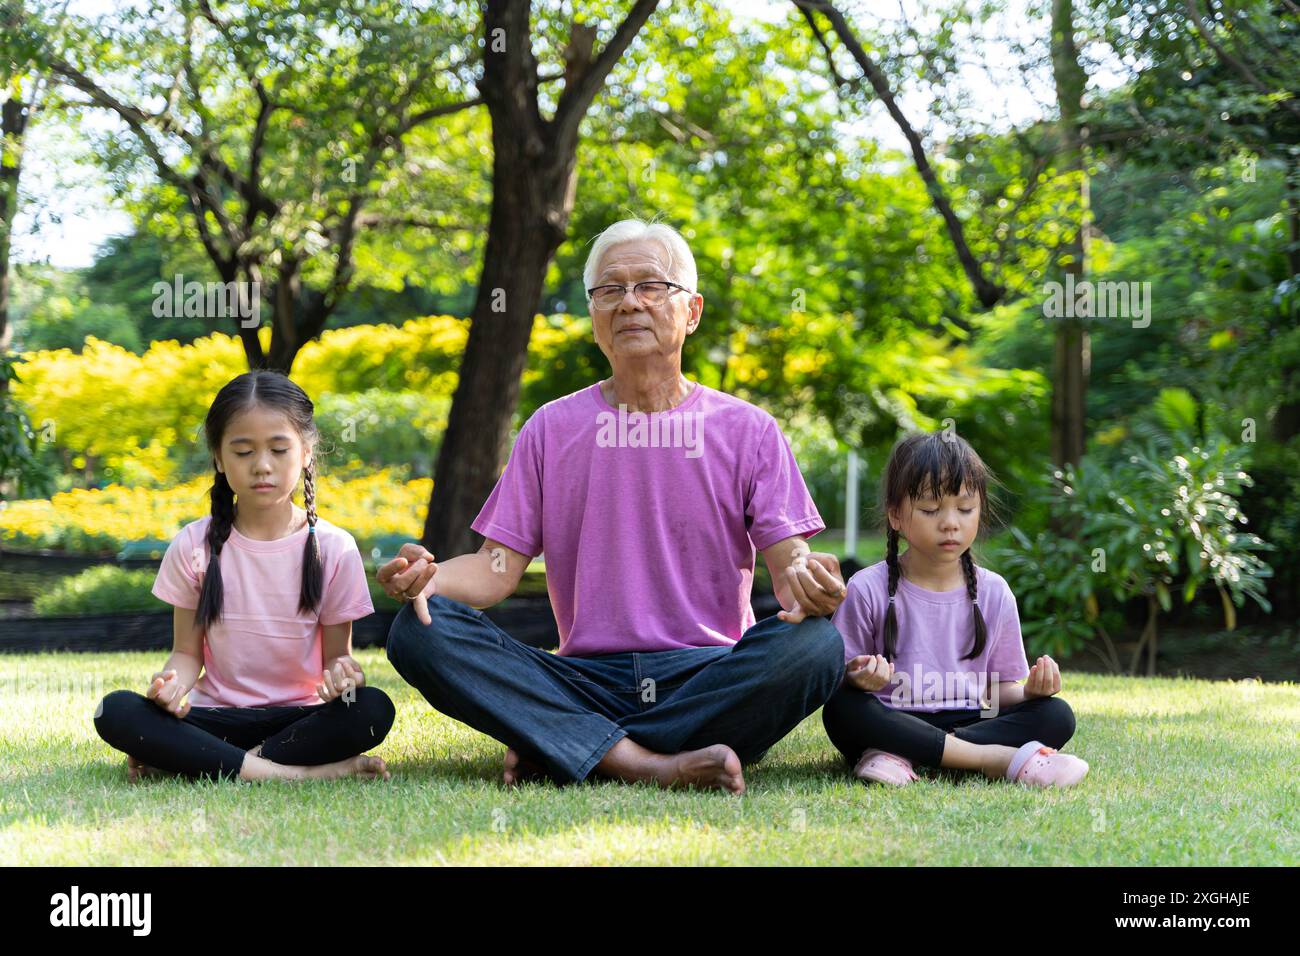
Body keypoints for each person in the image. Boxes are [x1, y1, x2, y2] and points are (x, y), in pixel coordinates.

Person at [379, 218, 846, 795]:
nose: (629, 303)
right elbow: (494, 570)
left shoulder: (749, 430)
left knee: (816, 645)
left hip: (707, 673)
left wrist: (808, 576)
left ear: (692, 311)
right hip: (583, 676)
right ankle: (647, 763)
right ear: (594, 316)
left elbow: (789, 563)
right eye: (609, 290)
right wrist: (426, 579)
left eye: (651, 286)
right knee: (420, 630)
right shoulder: (551, 428)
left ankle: (569, 745)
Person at [93, 371, 394, 782]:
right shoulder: (194, 543)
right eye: (243, 452)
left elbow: (337, 659)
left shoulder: (334, 548)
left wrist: (346, 677)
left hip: (298, 720)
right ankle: (299, 774)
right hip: (214, 716)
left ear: (306, 452)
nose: (262, 466)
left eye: (278, 449)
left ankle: (208, 761)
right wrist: (171, 688)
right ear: (219, 457)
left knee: (373, 708)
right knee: (115, 711)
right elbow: (187, 654)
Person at [822, 430, 1088, 788]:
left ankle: (903, 756)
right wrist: (859, 677)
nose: (951, 522)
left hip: (970, 718)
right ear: (896, 516)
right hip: (893, 718)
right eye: (931, 509)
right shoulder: (867, 588)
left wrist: (1030, 693)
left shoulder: (994, 592)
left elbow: (997, 692)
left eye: (965, 509)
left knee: (1056, 715)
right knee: (842, 709)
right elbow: (836, 679)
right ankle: (995, 758)